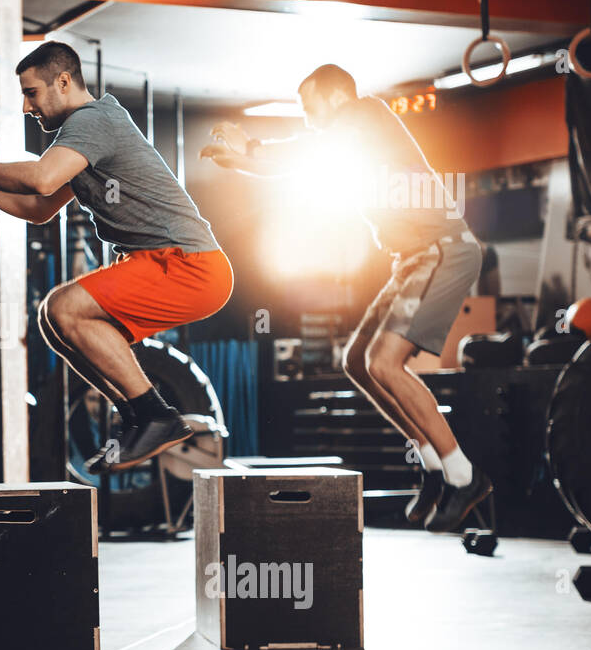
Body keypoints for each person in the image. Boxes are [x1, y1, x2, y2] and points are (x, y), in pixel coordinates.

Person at [201, 64, 490, 531]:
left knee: (385, 363)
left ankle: (465, 475)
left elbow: (309, 151)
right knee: (357, 362)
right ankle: (434, 466)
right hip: (413, 259)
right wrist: (241, 161)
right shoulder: (346, 138)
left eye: (309, 106)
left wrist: (251, 147)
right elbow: (301, 163)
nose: (307, 116)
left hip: (444, 251)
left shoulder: (365, 114)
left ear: (337, 98)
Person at [0, 41, 232, 471]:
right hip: (164, 263)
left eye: (31, 92)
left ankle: (155, 416)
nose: (25, 106)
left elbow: (40, 178)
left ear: (64, 81)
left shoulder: (94, 119)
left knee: (64, 307)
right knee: (54, 323)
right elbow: (36, 209)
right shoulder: (82, 137)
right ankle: (137, 416)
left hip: (188, 264)